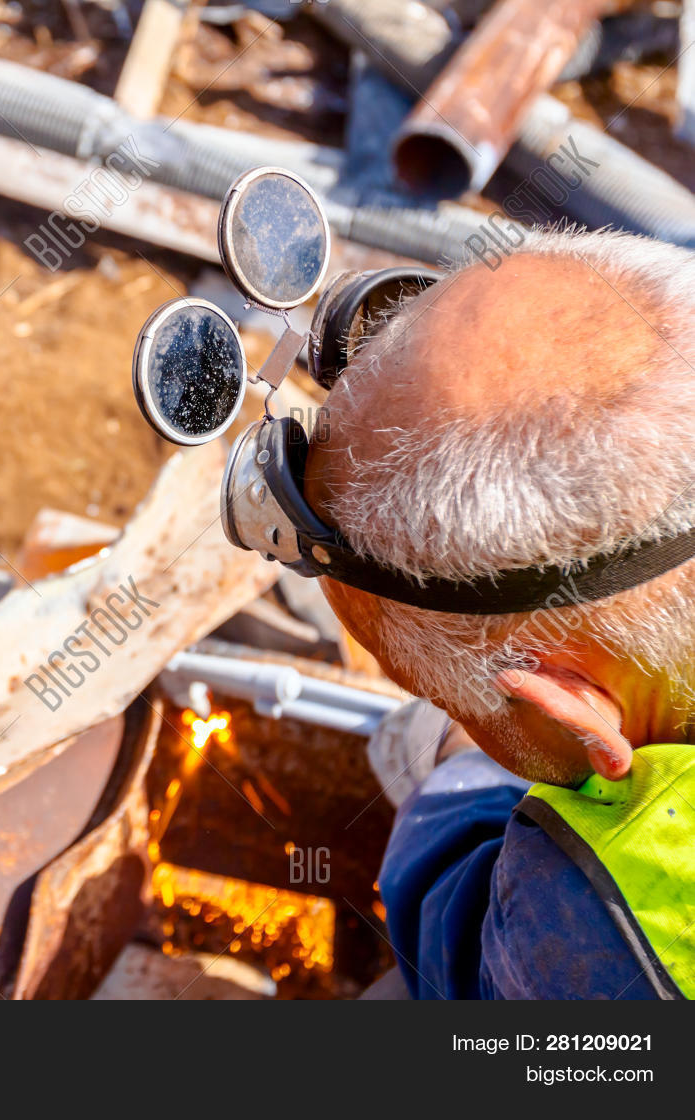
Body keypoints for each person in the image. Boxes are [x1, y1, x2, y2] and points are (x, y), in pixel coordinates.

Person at [306, 229, 695, 999]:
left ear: (576, 709)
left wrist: (457, 785)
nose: (445, 711)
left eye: (445, 696)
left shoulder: (599, 918)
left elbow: (468, 964)